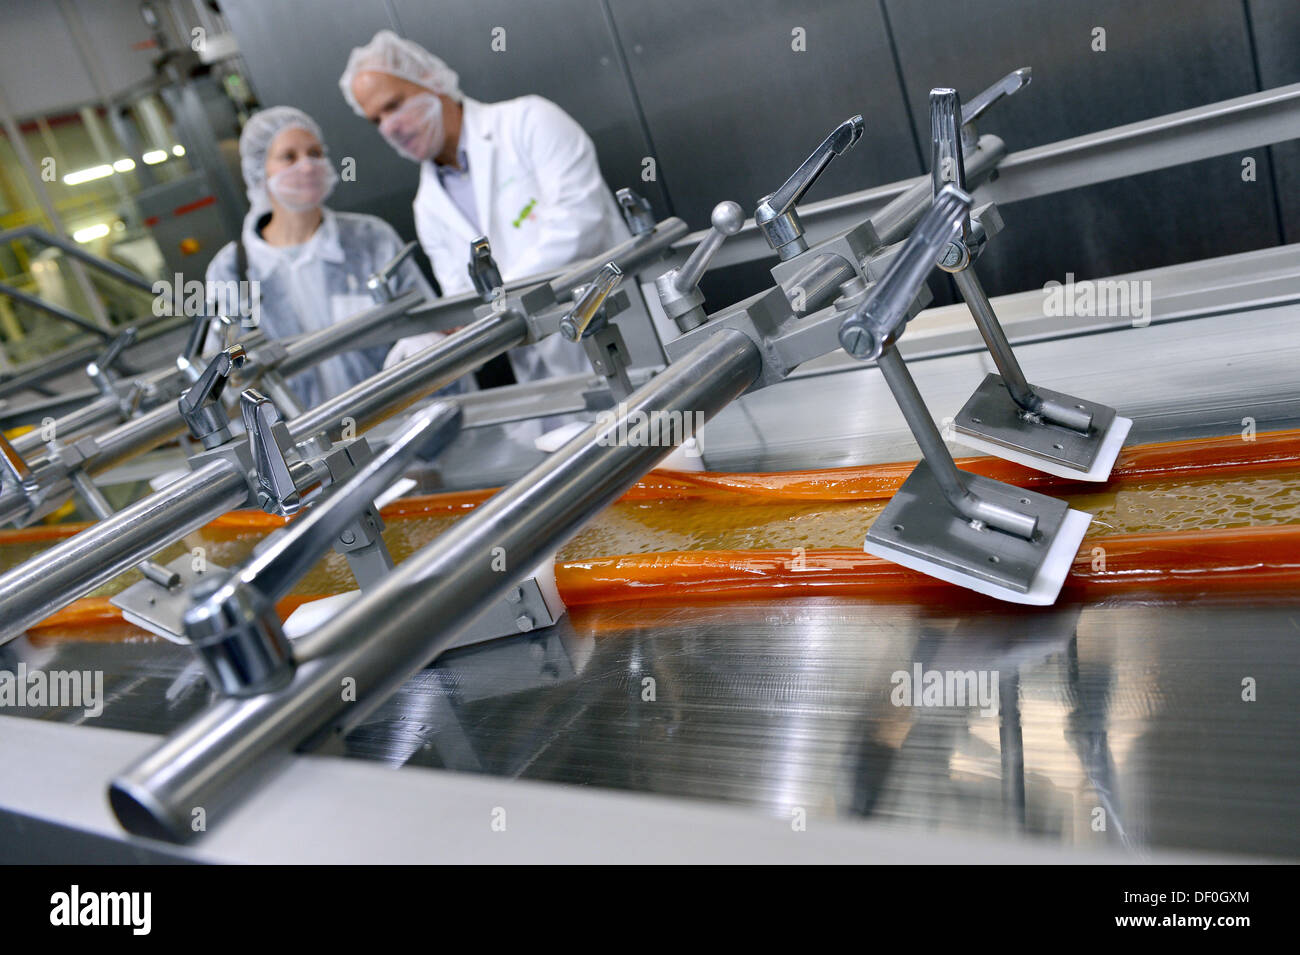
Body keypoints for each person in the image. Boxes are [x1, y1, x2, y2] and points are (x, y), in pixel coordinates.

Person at [339, 30, 631, 384]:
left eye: (393, 105)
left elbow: (581, 225)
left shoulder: (528, 122)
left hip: (624, 331)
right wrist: (438, 333)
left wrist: (490, 306)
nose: (390, 127)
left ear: (430, 81)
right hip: (550, 375)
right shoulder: (427, 205)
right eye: (376, 120)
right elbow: (464, 297)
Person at [205, 106, 454, 410]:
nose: (307, 166)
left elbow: (433, 324)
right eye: (289, 157)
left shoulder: (369, 239)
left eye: (315, 153)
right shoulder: (232, 268)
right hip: (299, 443)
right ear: (259, 171)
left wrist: (424, 341)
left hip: (394, 420)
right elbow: (226, 377)